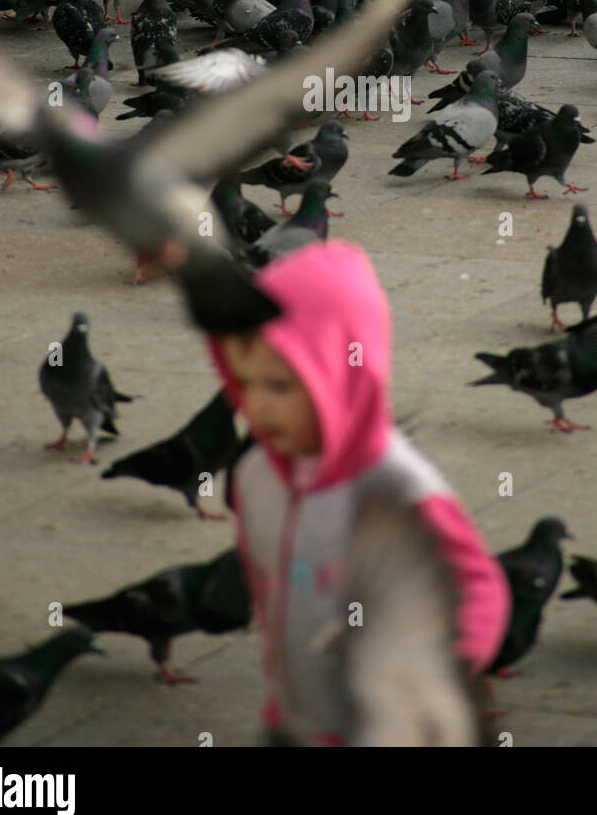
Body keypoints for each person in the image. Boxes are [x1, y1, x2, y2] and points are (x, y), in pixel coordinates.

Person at [206, 240, 509, 746]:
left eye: (280, 386)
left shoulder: (395, 484)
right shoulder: (256, 476)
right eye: (246, 382)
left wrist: (428, 673)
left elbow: (478, 585)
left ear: (340, 373)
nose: (257, 405)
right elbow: (271, 593)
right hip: (296, 721)